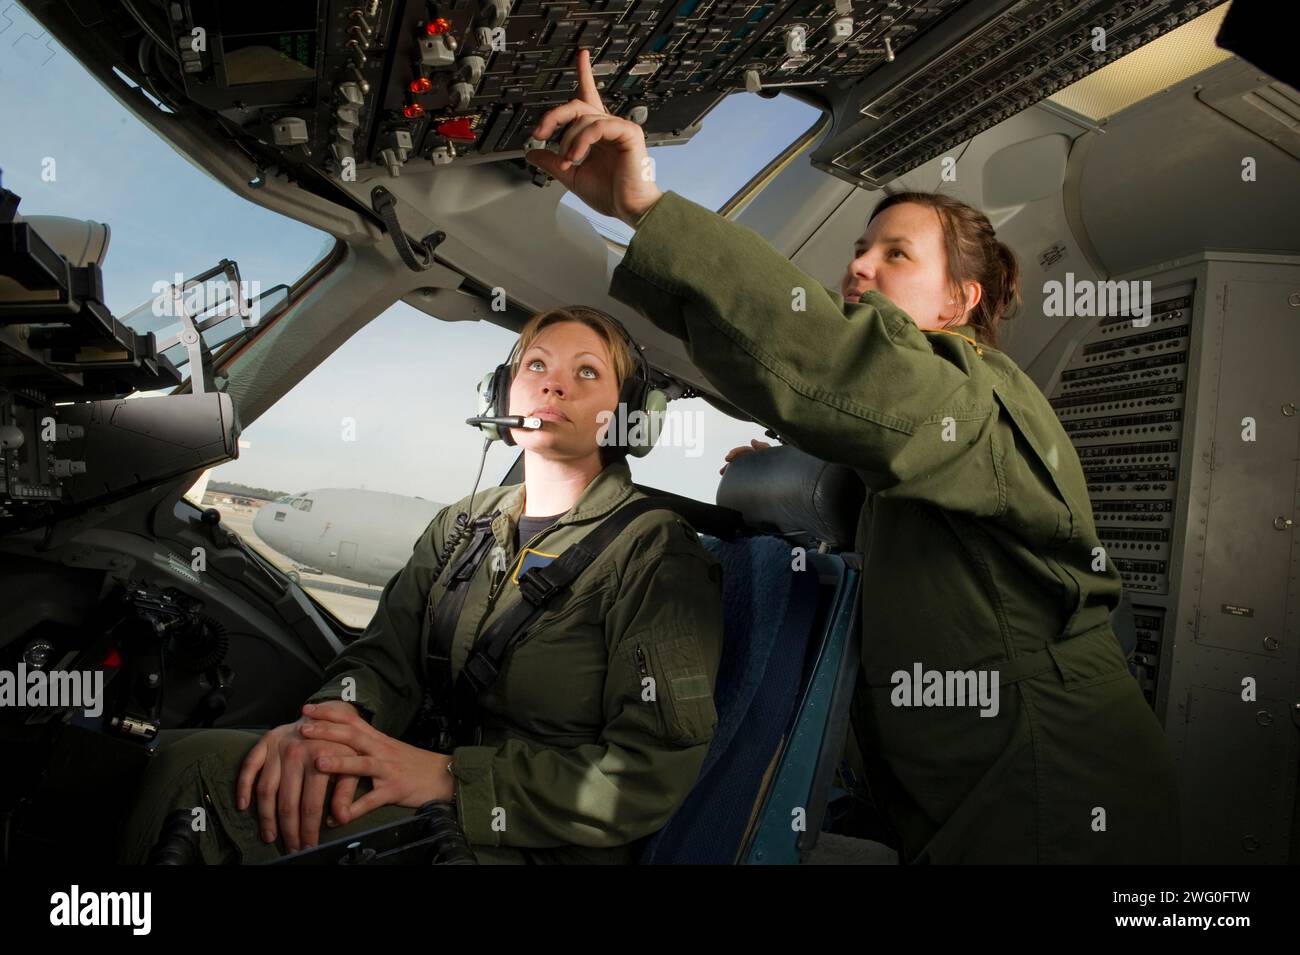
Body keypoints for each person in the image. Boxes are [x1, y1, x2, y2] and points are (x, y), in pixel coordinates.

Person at [522, 49, 1181, 864]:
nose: (858, 266)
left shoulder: (979, 393)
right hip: (963, 788)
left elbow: (830, 364)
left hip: (1052, 789)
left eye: (895, 254)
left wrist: (643, 208)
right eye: (861, 250)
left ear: (958, 300)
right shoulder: (920, 433)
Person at [119, 307, 725, 865]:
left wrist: (447, 777)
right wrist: (330, 723)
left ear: (627, 417)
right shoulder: (465, 523)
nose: (552, 383)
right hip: (419, 782)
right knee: (190, 756)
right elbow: (386, 656)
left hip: (531, 837)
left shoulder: (654, 551)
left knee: (191, 773)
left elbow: (646, 776)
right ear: (502, 391)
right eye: (536, 364)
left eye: (586, 372)